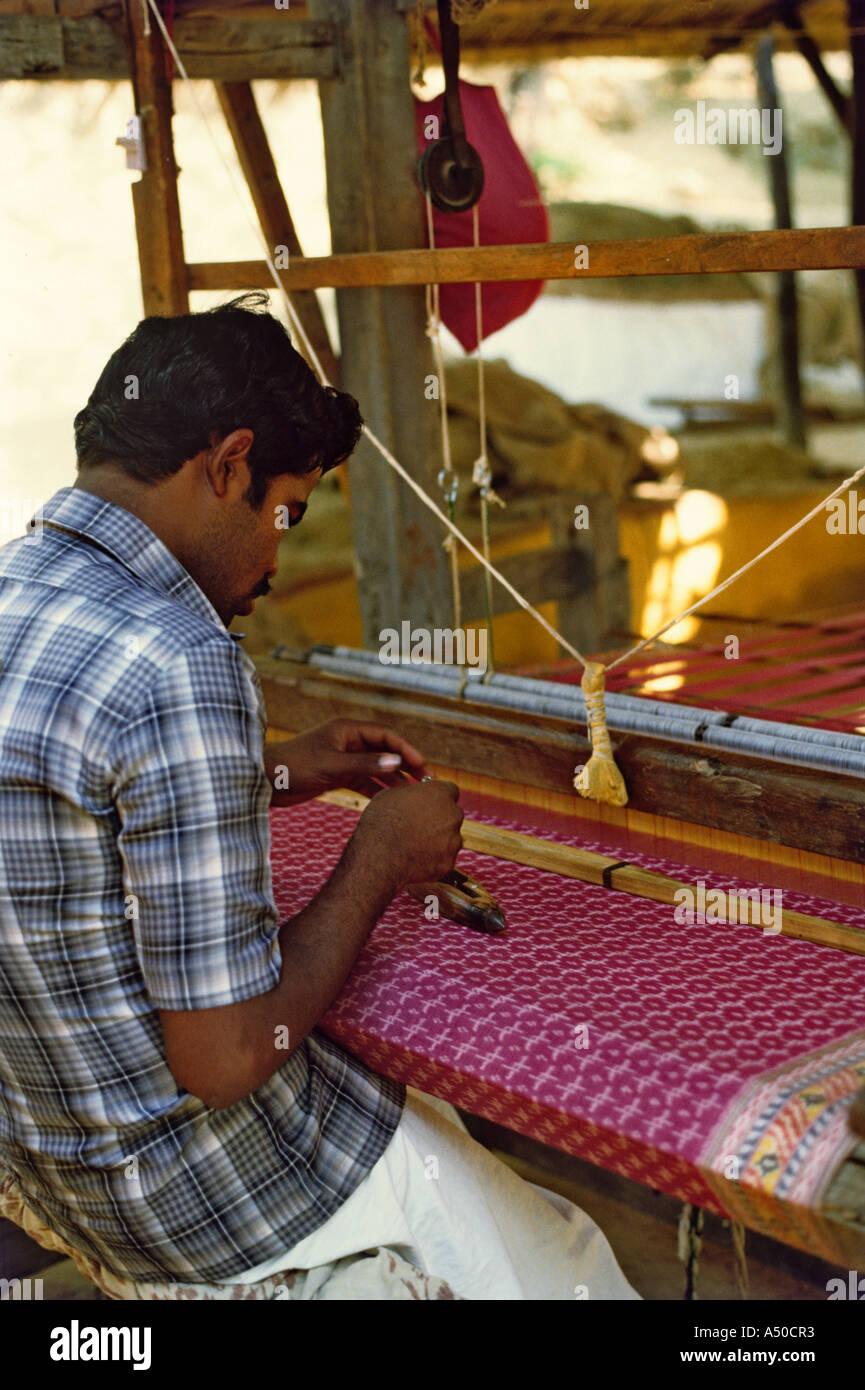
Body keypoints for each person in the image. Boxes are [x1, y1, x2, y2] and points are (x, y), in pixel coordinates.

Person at [0, 294, 637, 1300]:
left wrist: (283, 767)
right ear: (227, 464)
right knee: (562, 1264)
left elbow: (63, 798)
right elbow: (227, 1055)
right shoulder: (181, 659)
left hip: (53, 1163)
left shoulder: (20, 592)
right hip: (204, 1191)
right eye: (284, 510)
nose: (280, 554)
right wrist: (376, 860)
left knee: (445, 1140)